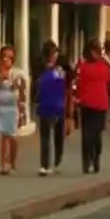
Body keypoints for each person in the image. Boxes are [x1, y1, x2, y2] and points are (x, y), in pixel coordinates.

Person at [0, 45, 27, 175]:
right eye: (4, 56)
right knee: (4, 137)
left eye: (9, 57)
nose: (6, 59)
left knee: (12, 137)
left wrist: (23, 110)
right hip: (0, 108)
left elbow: (22, 92)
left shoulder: (17, 74)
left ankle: (12, 162)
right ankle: (4, 165)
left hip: (12, 109)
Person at [74, 39, 110, 174]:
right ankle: (95, 158)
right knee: (96, 133)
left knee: (88, 133)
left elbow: (78, 83)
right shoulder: (104, 66)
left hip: (87, 103)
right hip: (100, 103)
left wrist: (77, 98)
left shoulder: (83, 66)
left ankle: (87, 161)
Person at [31, 40, 71, 176]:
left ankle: (57, 159)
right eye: (52, 52)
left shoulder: (62, 63)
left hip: (59, 103)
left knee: (59, 135)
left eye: (55, 52)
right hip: (46, 103)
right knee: (45, 135)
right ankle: (44, 164)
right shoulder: (40, 65)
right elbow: (36, 81)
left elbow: (70, 78)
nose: (54, 55)